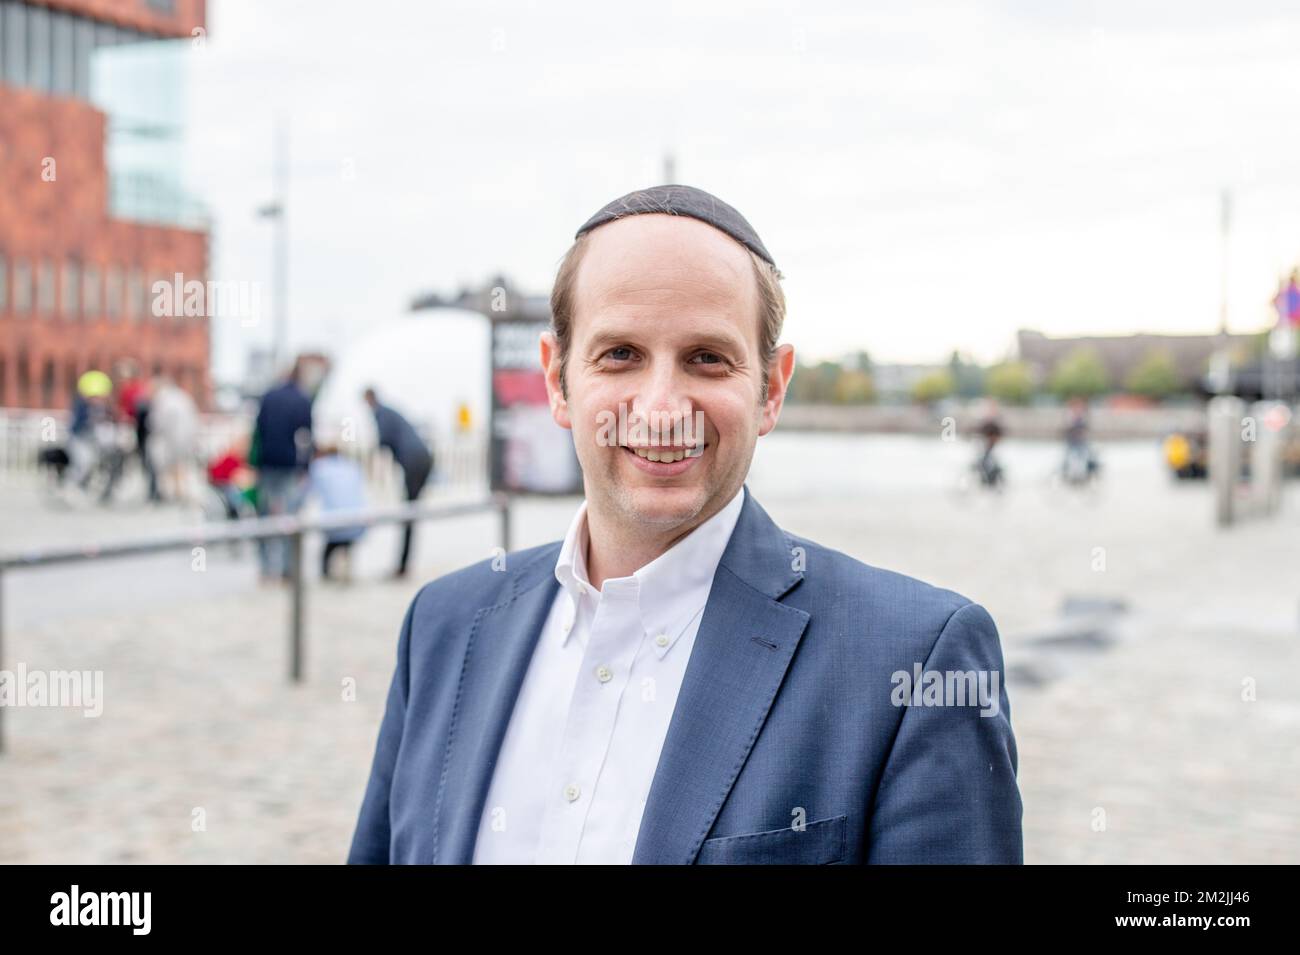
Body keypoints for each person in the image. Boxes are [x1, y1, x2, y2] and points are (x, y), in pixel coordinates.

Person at [348, 184, 1022, 865]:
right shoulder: (443, 628)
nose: (664, 407)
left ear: (771, 388)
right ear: (557, 381)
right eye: (620, 354)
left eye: (706, 357)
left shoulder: (912, 659)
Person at [253, 357, 319, 582]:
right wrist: (306, 467)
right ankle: (286, 569)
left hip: (266, 462)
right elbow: (307, 437)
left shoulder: (269, 396)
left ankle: (264, 567)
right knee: (290, 518)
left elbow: (258, 429)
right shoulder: (302, 399)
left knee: (264, 516)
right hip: (289, 464)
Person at [363, 388, 433, 578]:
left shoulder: (381, 413)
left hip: (414, 462)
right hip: (423, 459)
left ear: (369, 399)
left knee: (408, 515)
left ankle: (402, 566)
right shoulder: (390, 411)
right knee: (410, 514)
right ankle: (403, 564)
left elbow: (383, 441)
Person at [308, 442, 367, 582]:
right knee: (345, 541)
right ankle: (346, 567)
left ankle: (325, 574)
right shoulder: (353, 466)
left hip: (333, 523)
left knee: (329, 547)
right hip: (357, 521)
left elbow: (309, 492)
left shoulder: (319, 468)